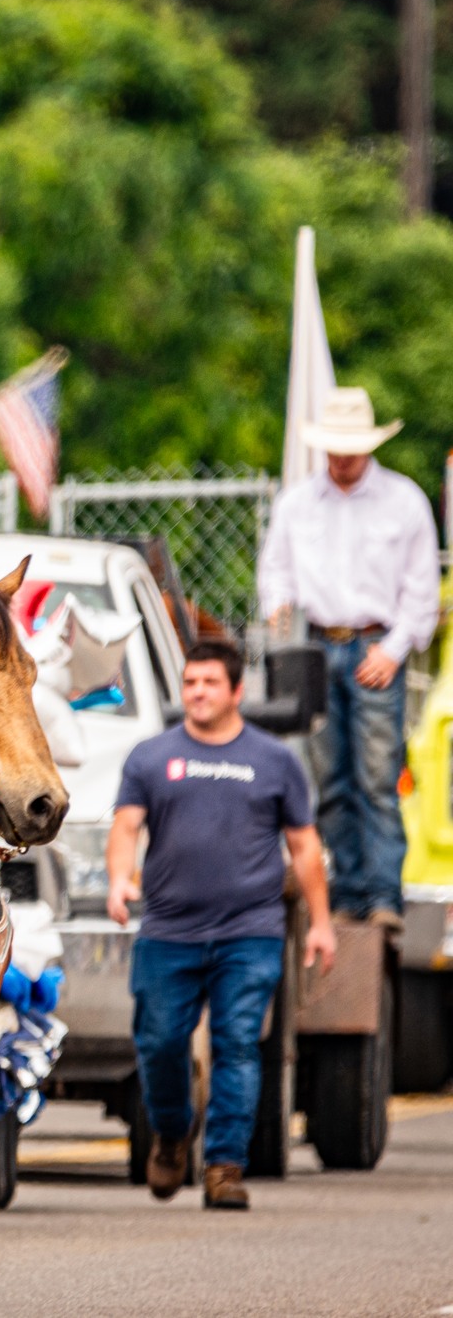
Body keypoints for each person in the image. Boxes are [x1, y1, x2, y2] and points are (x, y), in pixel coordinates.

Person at [107, 638, 338, 1210]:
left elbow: (305, 847)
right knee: (159, 1043)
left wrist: (321, 923)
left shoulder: (275, 759)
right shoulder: (151, 757)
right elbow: (125, 827)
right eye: (190, 682)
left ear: (238, 691)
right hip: (168, 930)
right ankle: (170, 1134)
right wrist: (119, 878)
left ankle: (224, 1167)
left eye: (210, 682)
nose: (198, 692)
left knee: (238, 1045)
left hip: (250, 930)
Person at [257, 386, 439, 930]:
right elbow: (275, 569)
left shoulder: (403, 501)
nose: (341, 461)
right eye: (335, 450)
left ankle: (383, 895)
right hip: (315, 645)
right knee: (328, 775)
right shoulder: (297, 502)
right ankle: (347, 892)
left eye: (349, 450)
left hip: (375, 643)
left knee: (378, 776)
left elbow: (422, 589)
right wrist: (277, 606)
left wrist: (393, 649)